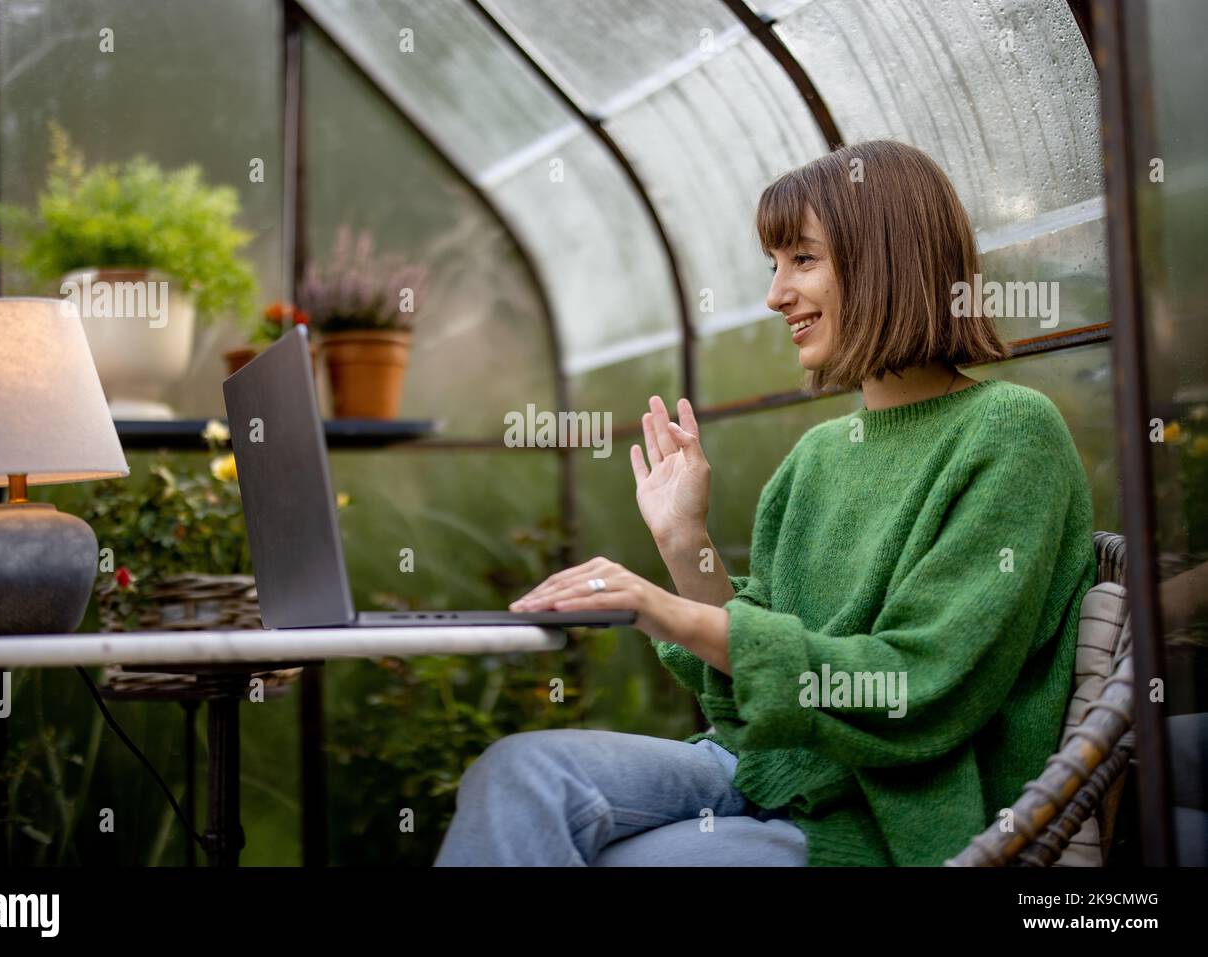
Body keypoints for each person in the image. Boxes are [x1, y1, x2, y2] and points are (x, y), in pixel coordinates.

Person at [433, 139, 1097, 867]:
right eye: (774, 265)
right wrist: (686, 541)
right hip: (763, 766)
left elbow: (919, 687)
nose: (776, 295)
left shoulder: (1010, 432)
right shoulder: (817, 456)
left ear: (886, 259)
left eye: (802, 260)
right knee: (518, 774)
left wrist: (663, 608)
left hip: (879, 813)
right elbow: (755, 667)